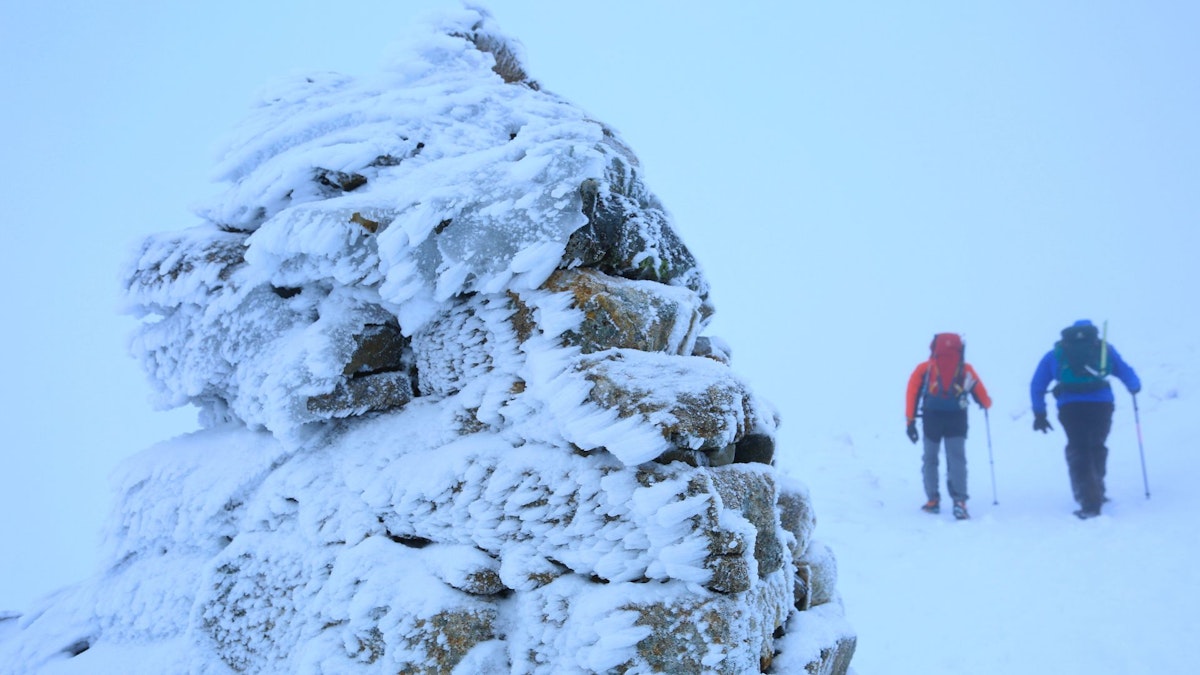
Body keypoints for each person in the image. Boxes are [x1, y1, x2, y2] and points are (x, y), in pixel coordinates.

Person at [1030, 319, 1141, 519]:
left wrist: (1040, 413)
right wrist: (1134, 386)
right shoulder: (1103, 350)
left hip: (1070, 407)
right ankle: (1098, 489)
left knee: (1078, 448)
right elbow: (1125, 371)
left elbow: (1037, 384)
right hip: (1102, 405)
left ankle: (1089, 502)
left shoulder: (1057, 353)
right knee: (1097, 445)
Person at [905, 333, 992, 520]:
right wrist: (985, 403)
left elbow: (912, 393)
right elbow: (984, 398)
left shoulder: (924, 369)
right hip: (957, 419)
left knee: (930, 459)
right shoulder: (966, 370)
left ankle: (932, 501)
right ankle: (959, 502)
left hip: (931, 419)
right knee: (957, 459)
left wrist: (910, 422)